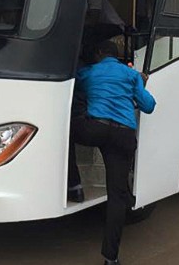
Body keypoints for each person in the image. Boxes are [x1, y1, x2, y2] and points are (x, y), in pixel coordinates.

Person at [68, 40, 156, 265]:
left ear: (98, 53)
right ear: (117, 57)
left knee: (65, 130)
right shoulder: (131, 75)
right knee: (116, 197)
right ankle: (110, 257)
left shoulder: (89, 72)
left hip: (94, 129)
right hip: (123, 135)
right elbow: (148, 106)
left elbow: (74, 88)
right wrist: (141, 83)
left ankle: (74, 184)